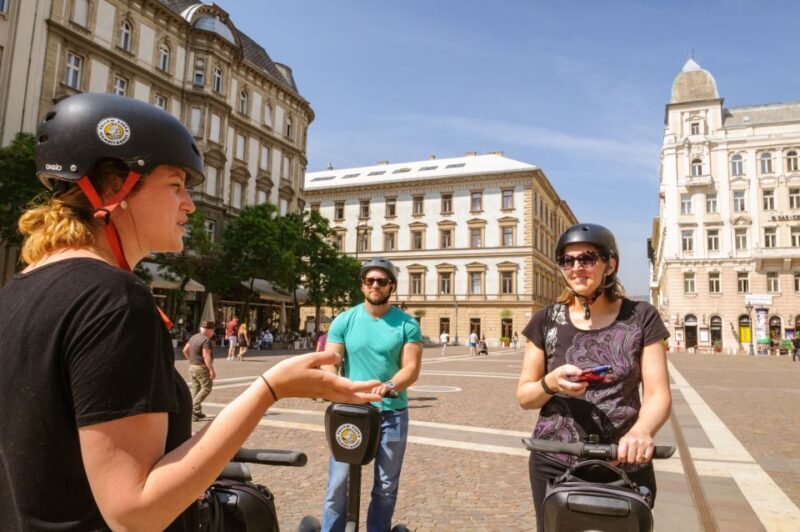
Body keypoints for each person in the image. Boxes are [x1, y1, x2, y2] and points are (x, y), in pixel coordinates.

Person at [0, 93, 382, 531]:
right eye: (176, 185)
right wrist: (271, 389)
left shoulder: (17, 290)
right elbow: (135, 511)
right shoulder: (113, 299)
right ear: (115, 187)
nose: (190, 204)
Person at [515, 223, 671, 532]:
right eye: (567, 261)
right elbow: (524, 396)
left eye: (587, 259)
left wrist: (641, 432)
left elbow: (658, 393)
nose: (576, 268)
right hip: (555, 459)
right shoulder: (545, 320)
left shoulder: (641, 316)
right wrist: (550, 383)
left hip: (624, 460)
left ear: (610, 264)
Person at [321, 258, 423, 531]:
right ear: (362, 285)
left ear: (391, 286)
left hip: (392, 412)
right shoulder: (344, 320)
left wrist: (389, 385)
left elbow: (411, 369)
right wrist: (335, 383)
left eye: (381, 281)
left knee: (386, 487)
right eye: (370, 280)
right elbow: (331, 359)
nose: (375, 285)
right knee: (337, 484)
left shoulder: (407, 324)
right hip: (351, 412)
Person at [182, 320, 217, 421]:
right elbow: (206, 355)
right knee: (207, 387)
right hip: (201, 367)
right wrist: (211, 370)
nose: (213, 332)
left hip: (192, 367)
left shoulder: (193, 337)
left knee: (196, 389)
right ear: (209, 330)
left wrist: (190, 359)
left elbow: (185, 350)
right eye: (212, 330)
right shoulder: (206, 340)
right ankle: (192, 409)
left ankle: (196, 412)